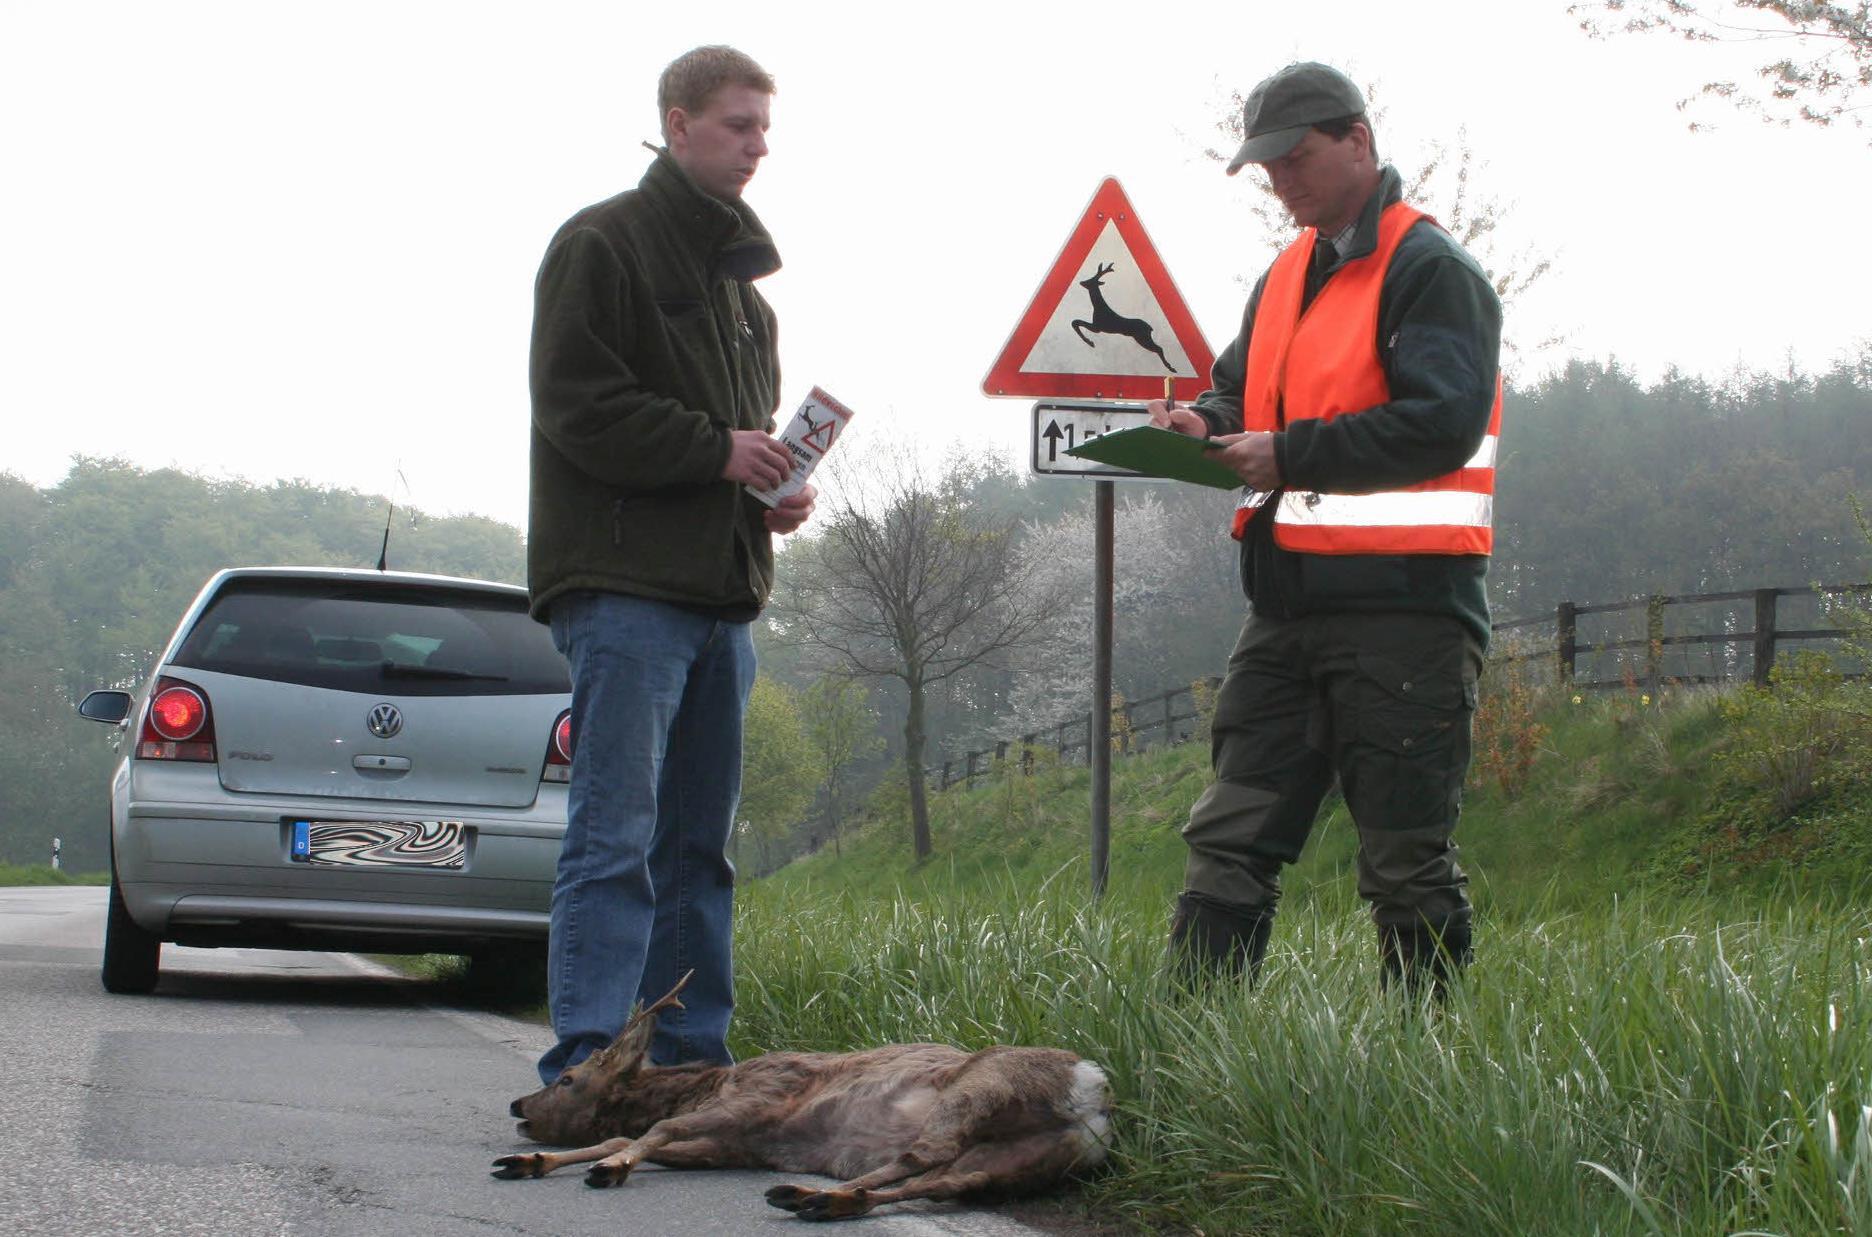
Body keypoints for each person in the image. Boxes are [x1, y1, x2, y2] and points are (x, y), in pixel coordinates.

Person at [1147, 62, 1502, 997]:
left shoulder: (1432, 270)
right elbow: (1238, 388)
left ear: (1359, 140)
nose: (1281, 181)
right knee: (1228, 838)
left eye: (1296, 158)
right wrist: (1208, 425)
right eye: (1267, 167)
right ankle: (1190, 1054)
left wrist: (1291, 455)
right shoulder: (1285, 273)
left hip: (1409, 622)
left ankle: (1426, 1078)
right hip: (1285, 616)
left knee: (1404, 866)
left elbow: (1442, 424)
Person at [525, 45, 814, 1083]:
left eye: (764, 128)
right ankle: (589, 1066)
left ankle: (689, 1064)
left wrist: (770, 491)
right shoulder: (600, 244)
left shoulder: (749, 299)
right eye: (738, 124)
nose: (758, 145)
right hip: (624, 592)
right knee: (615, 837)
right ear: (677, 121)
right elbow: (576, 405)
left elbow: (739, 443)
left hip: (722, 596)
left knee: (699, 850)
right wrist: (716, 449)